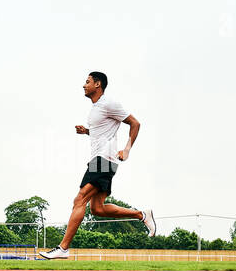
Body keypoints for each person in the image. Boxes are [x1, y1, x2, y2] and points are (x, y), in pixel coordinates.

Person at [39, 71, 155, 259]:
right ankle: (141, 214)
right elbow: (103, 132)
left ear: (98, 84)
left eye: (87, 82)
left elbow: (135, 123)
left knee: (79, 200)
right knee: (97, 209)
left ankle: (63, 248)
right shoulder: (95, 108)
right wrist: (87, 132)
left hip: (103, 160)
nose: (84, 85)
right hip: (101, 160)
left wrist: (127, 149)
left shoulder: (109, 103)